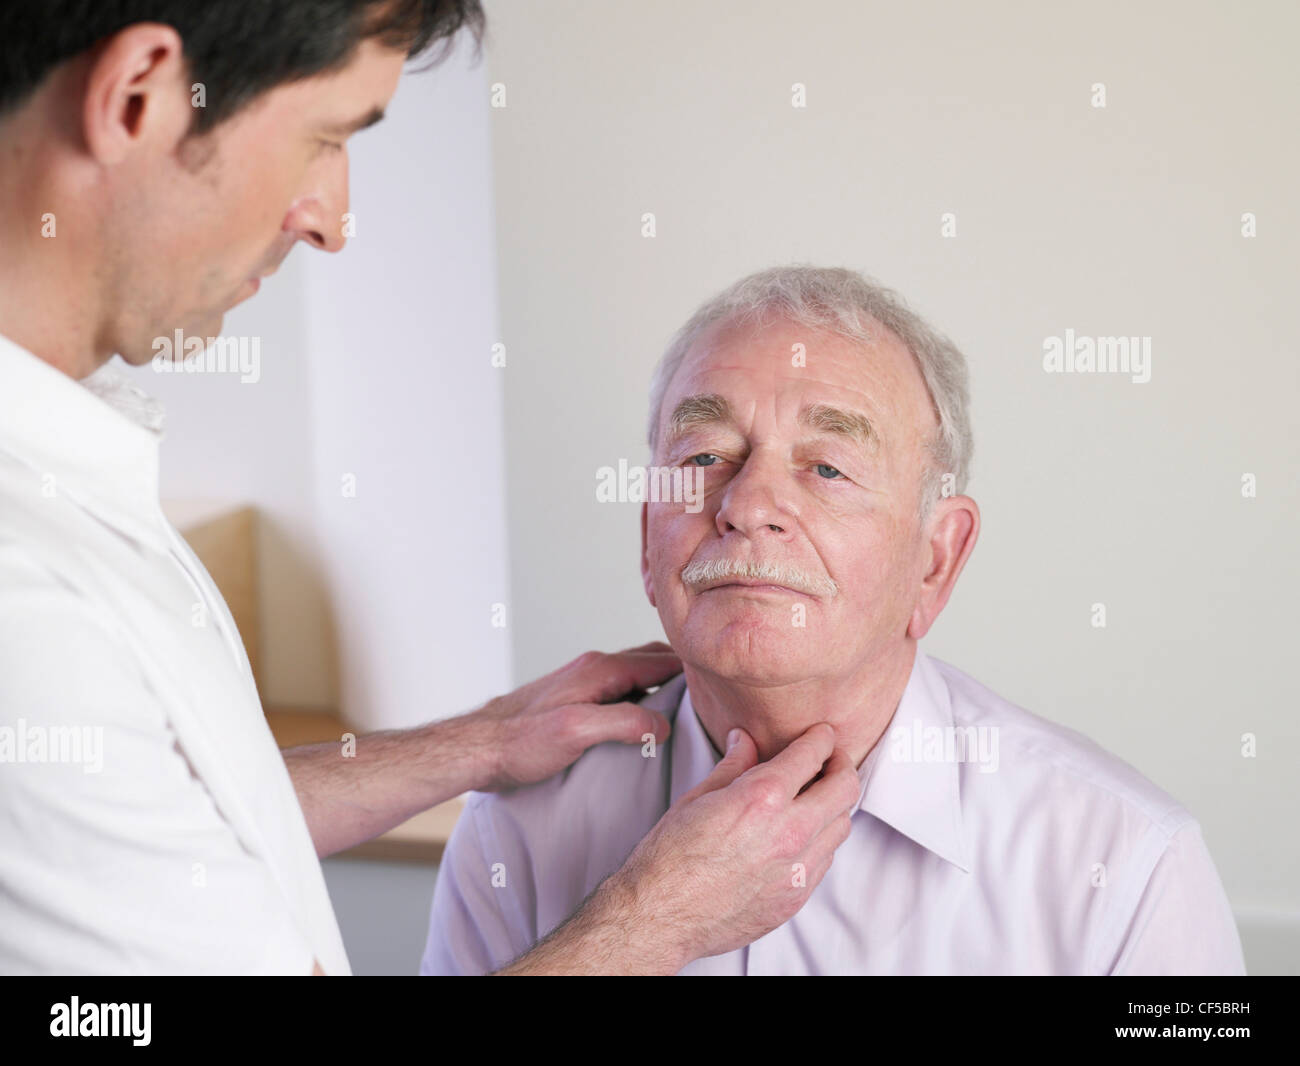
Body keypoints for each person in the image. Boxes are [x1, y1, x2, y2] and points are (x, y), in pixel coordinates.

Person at [0, 3, 861, 975]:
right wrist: (650, 924)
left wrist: (476, 744)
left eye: (829, 468)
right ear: (138, 97)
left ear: (942, 554)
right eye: (325, 138)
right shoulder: (27, 606)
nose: (330, 218)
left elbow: (147, 820)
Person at [423, 265, 1247, 975]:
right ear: (648, 536)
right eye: (704, 457)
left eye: (826, 467)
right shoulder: (516, 824)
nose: (746, 508)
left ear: (936, 558)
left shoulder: (1131, 863)